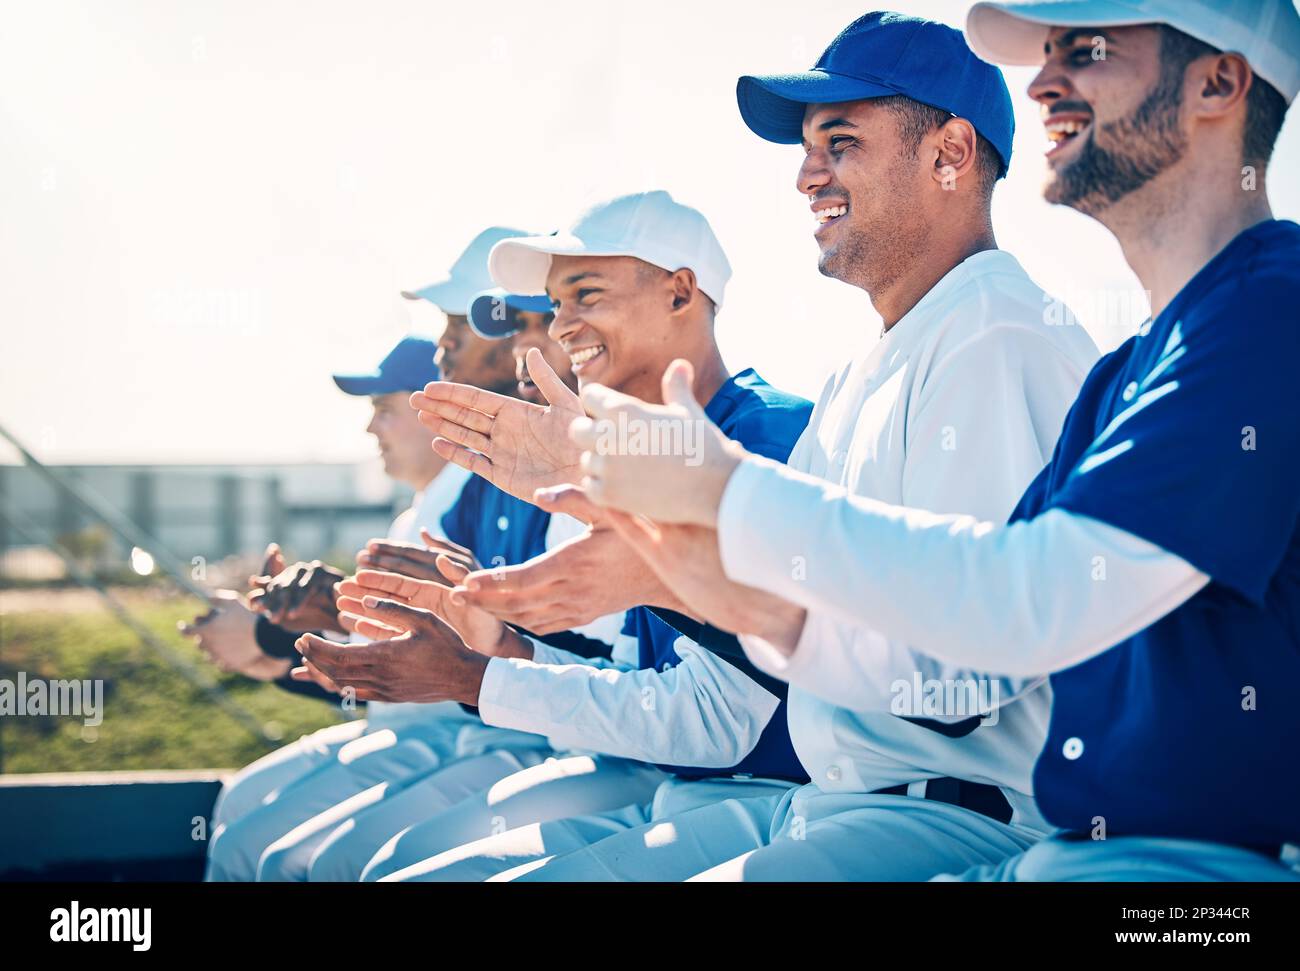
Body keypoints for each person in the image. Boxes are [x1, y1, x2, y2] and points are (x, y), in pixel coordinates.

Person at [568, 0, 1300, 881]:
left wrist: (722, 496)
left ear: (1220, 81)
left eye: (1088, 49)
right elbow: (972, 648)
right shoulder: (1133, 366)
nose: (1043, 81)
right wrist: (693, 564)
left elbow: (1022, 603)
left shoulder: (1266, 312)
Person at [484, 10, 1103, 882]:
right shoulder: (869, 366)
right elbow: (789, 654)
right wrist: (659, 563)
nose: (808, 175)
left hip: (959, 824)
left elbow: (957, 684)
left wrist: (670, 566)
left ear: (951, 153)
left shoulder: (995, 333)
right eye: (808, 149)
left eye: (839, 140)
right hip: (847, 809)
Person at [296, 191, 816, 881]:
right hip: (680, 786)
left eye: (584, 295)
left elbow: (718, 722)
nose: (558, 325)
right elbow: (638, 680)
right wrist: (502, 644)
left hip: (773, 799)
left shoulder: (764, 435)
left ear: (680, 292)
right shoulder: (631, 450)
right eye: (552, 304)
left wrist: (480, 675)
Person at [206, 227, 565, 881]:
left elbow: (485, 653)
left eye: (476, 320)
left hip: (519, 738)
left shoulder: (526, 474)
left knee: (324, 858)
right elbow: (440, 648)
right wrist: (300, 637)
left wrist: (284, 636)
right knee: (247, 819)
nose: (444, 343)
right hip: (487, 725)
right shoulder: (469, 491)